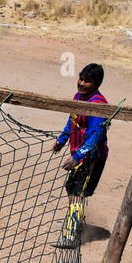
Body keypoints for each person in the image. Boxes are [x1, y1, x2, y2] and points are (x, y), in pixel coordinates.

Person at [50, 63, 109, 249]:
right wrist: (62, 139)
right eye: (81, 79)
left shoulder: (98, 105)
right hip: (78, 154)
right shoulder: (78, 97)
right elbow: (73, 120)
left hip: (91, 158)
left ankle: (71, 235)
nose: (81, 84)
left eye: (87, 81)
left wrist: (78, 156)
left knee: (78, 193)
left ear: (97, 84)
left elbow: (95, 135)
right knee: (71, 188)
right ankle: (77, 223)